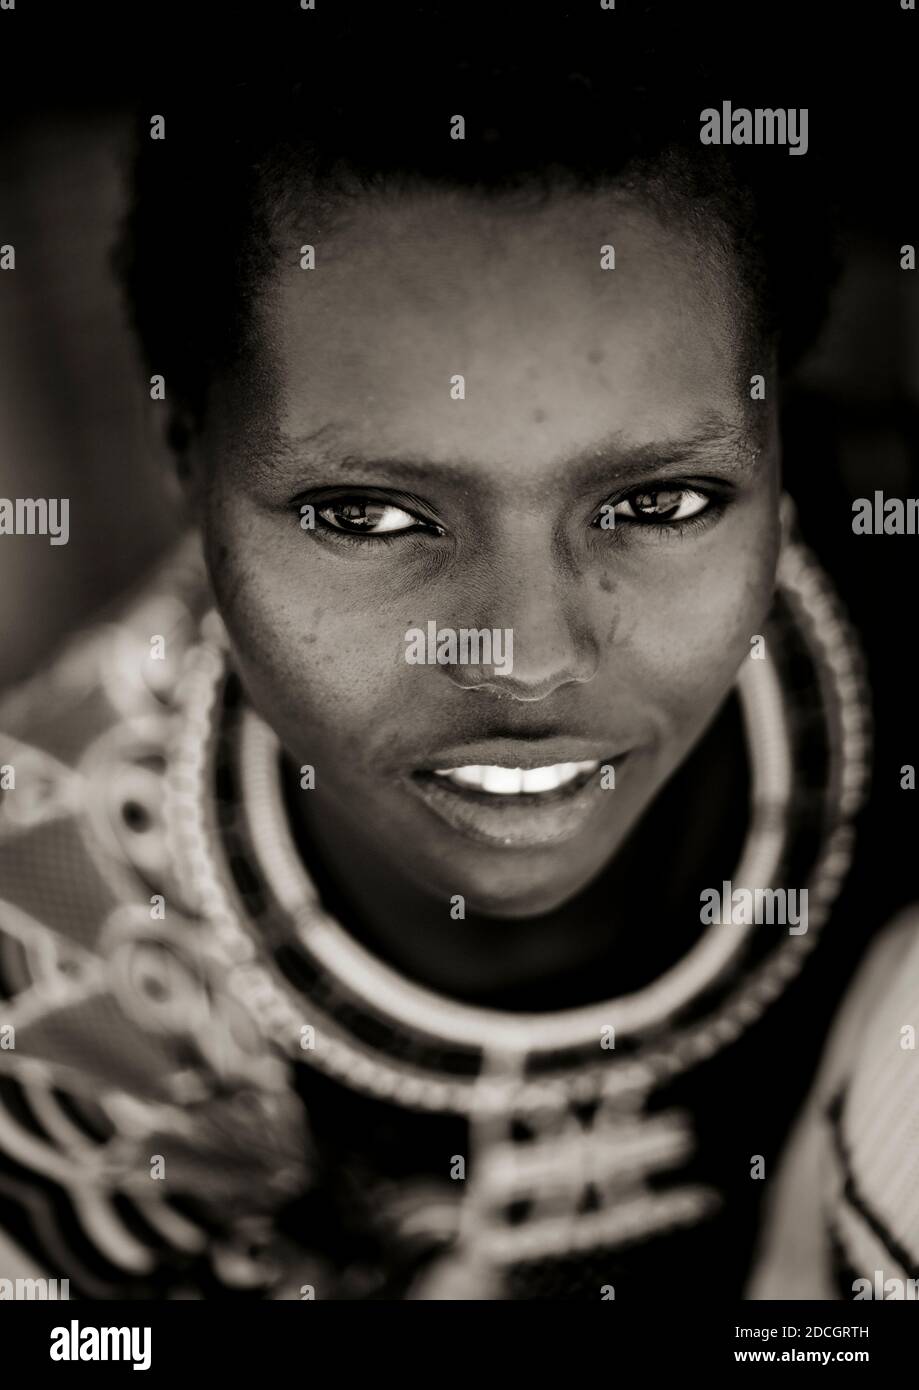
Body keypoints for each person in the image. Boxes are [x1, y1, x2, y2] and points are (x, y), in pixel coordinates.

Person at [0, 42, 876, 1299]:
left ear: (787, 436)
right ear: (182, 450)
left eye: (664, 499)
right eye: (366, 515)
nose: (524, 663)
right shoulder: (49, 980)